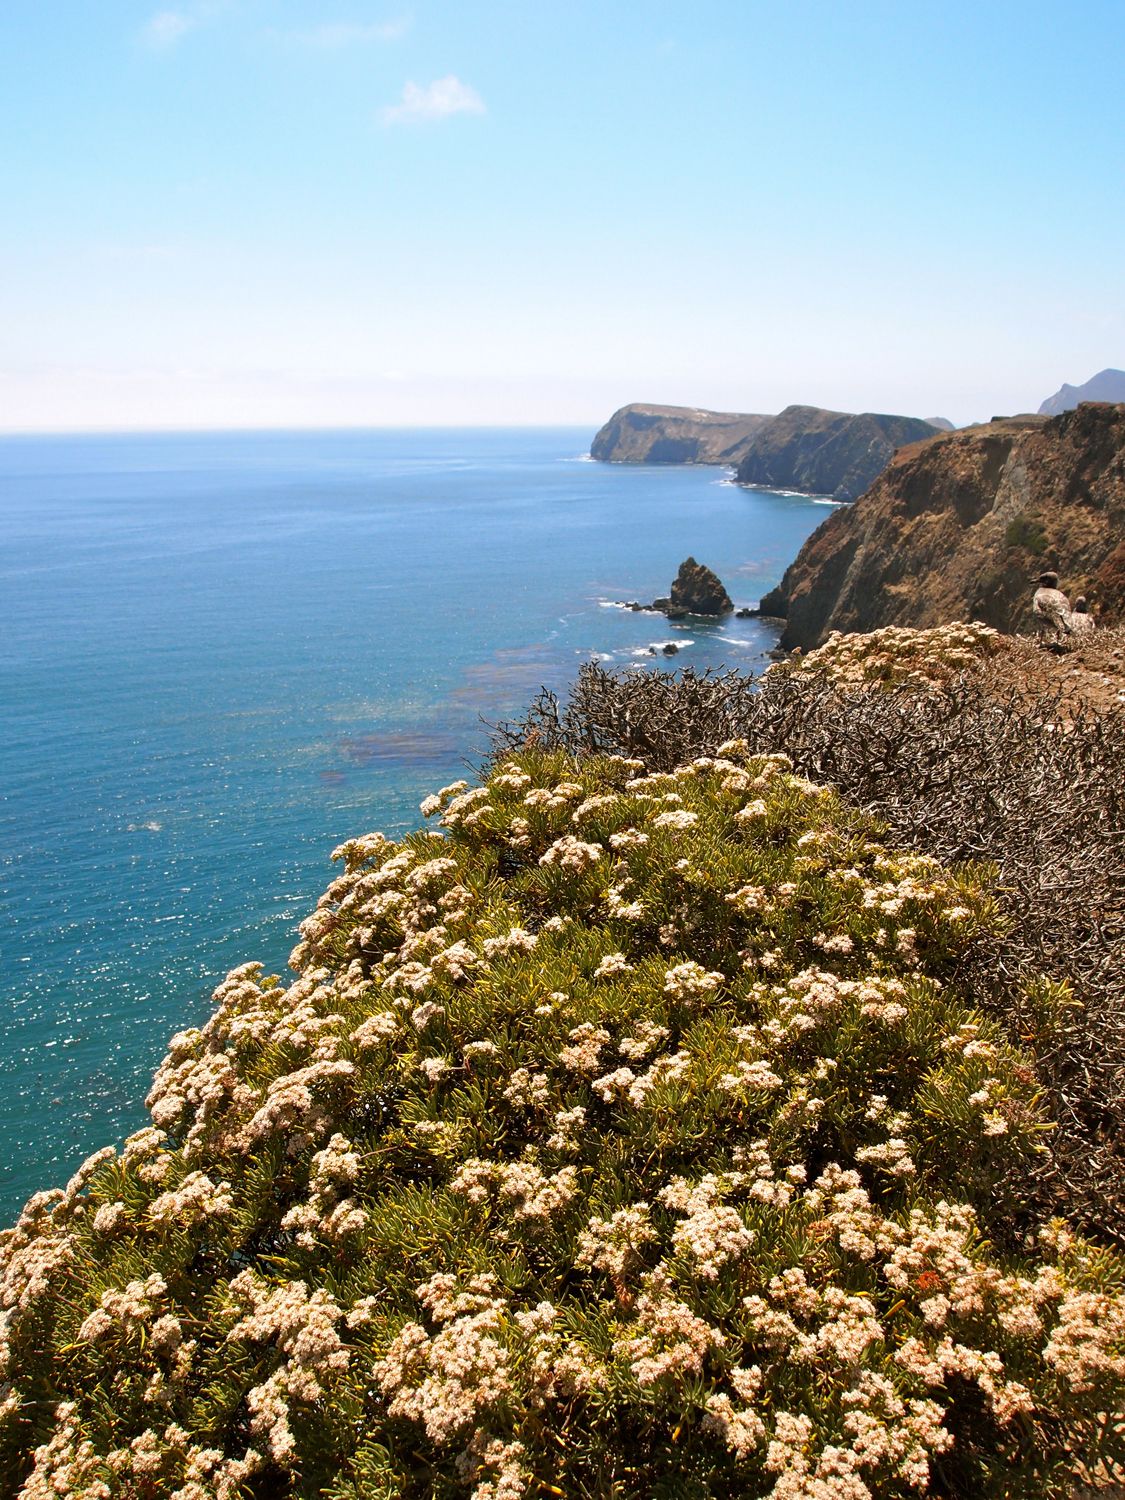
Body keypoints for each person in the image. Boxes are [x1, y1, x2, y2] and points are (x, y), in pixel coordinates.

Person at [1031, 571, 1072, 643]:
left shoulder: (1039, 594)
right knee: (1061, 625)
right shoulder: (1060, 595)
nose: (1038, 581)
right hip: (1064, 618)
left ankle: (1041, 642)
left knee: (1043, 627)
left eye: (1042, 579)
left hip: (1052, 617)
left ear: (1047, 581)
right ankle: (1059, 639)